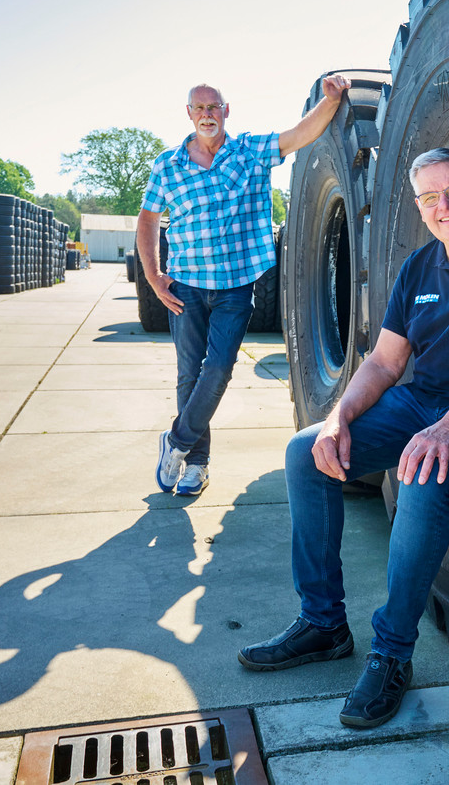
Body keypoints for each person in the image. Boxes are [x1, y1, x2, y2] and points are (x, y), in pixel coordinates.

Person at [238, 147, 449, 728]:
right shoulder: (417, 268)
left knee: (422, 479)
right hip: (418, 402)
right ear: (419, 208)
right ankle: (323, 624)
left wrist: (448, 427)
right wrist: (338, 419)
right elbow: (383, 362)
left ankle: (392, 655)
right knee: (305, 454)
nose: (443, 206)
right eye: (429, 198)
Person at [138, 76, 350, 496]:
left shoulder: (249, 152)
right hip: (185, 287)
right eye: (199, 108)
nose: (207, 115)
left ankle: (176, 441)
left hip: (235, 286)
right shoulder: (167, 164)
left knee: (217, 369)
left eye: (214, 107)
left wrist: (330, 101)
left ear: (226, 111)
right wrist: (153, 275)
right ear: (189, 114)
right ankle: (196, 465)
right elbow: (148, 219)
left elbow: (299, 135)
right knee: (188, 376)